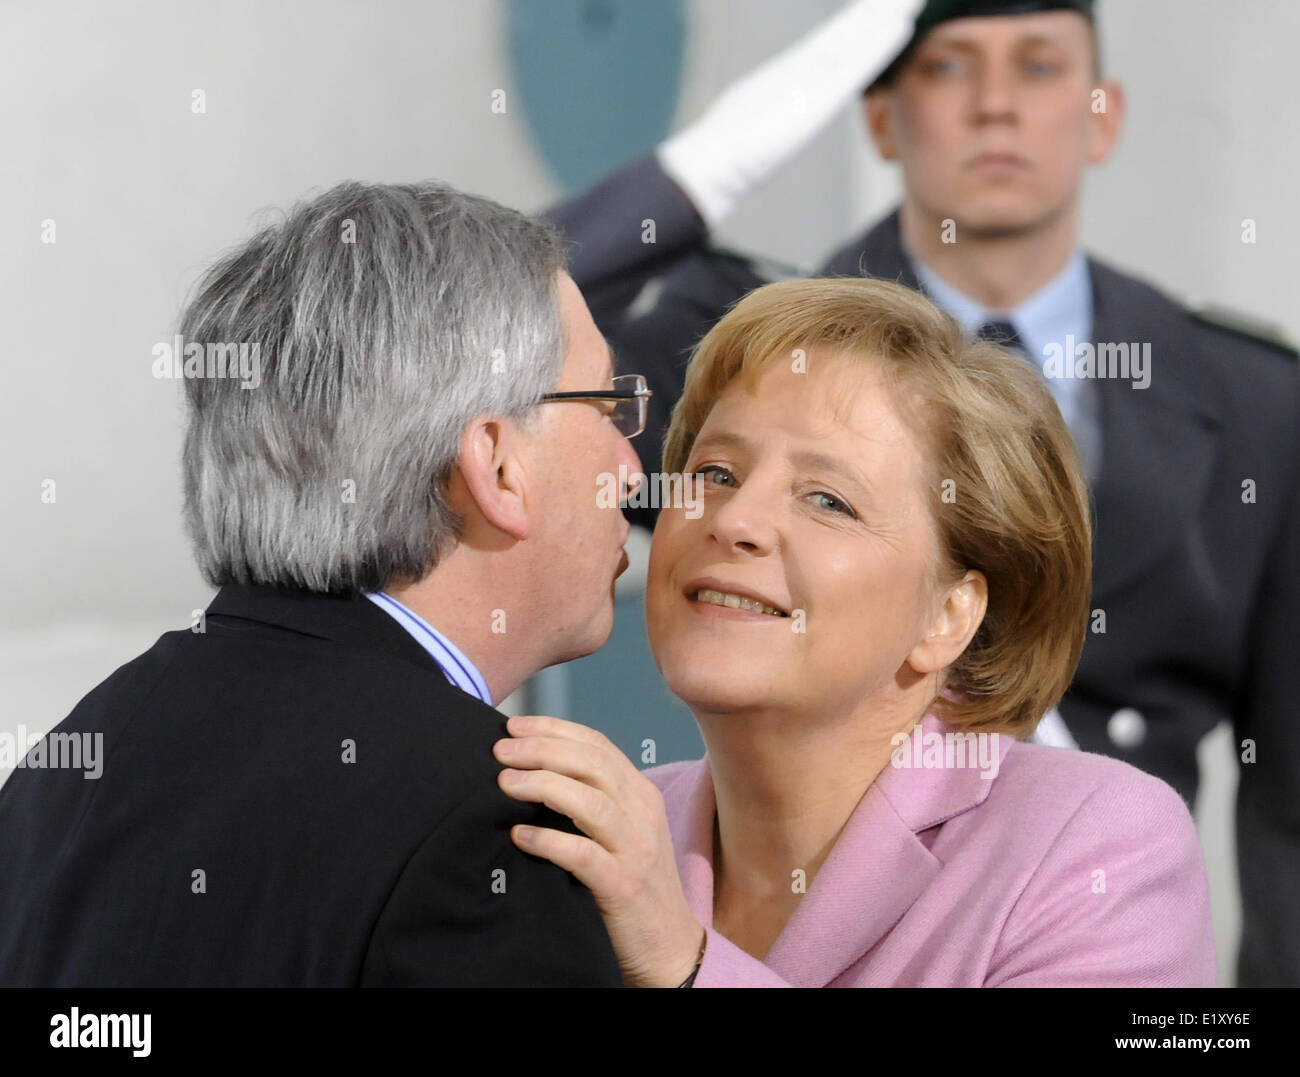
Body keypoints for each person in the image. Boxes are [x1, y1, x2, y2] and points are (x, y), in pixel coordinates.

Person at [543, 0, 1299, 986]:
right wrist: (696, 172)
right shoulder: (743, 347)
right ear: (880, 118)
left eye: (1036, 66)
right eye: (946, 68)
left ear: (1102, 113)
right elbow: (469, 369)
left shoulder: (1251, 394)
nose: (992, 106)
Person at [0, 180, 648, 986]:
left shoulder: (65, 768)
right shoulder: (493, 828)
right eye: (609, 405)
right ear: (497, 464)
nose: (632, 469)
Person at [489, 275, 1217, 987]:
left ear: (949, 616)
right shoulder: (597, 836)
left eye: (828, 499)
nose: (734, 521)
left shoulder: (1097, 840)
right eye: (715, 472)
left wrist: (689, 966)